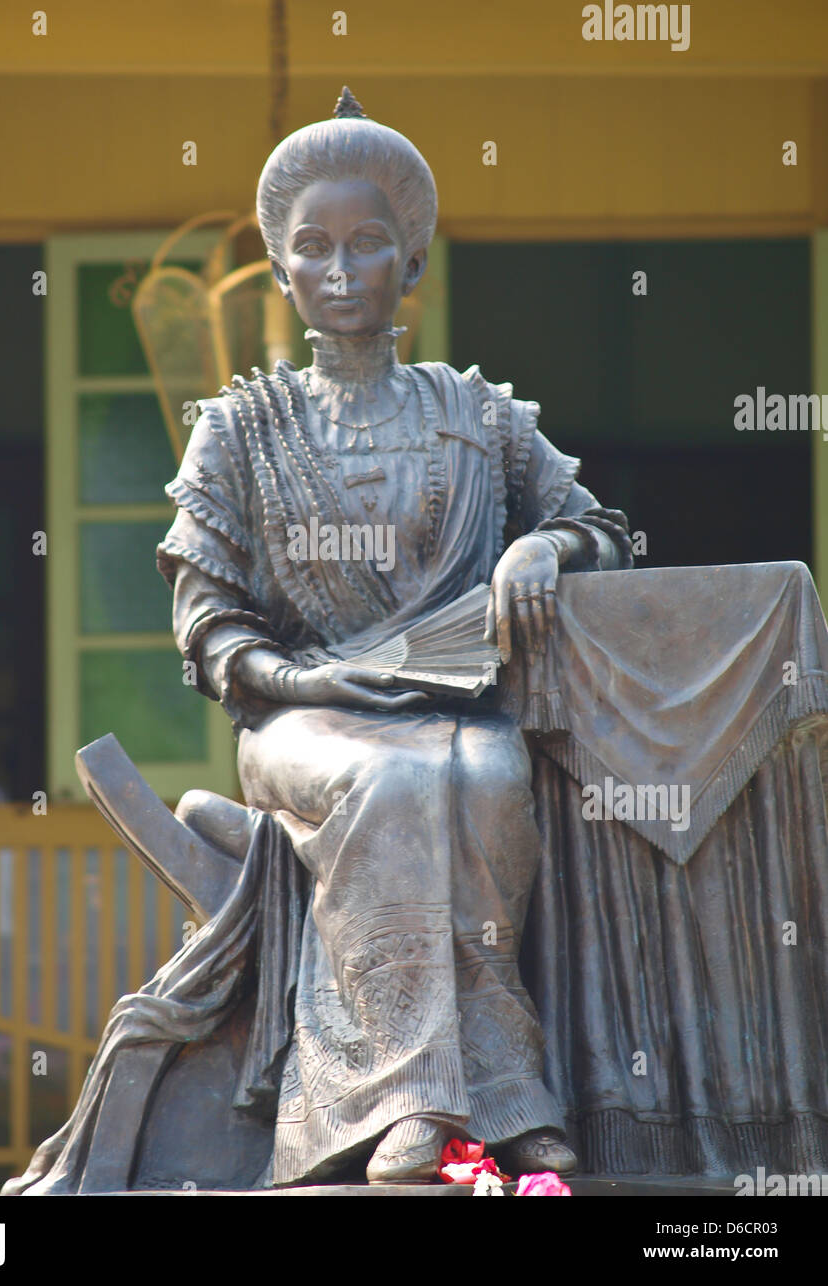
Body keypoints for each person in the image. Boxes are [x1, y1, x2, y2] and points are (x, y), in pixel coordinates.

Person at [153, 87, 633, 1185]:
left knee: (492, 773)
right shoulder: (238, 429)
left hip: (456, 710)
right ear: (279, 271)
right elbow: (209, 629)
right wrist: (315, 676)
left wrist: (541, 549)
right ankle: (409, 1100)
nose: (337, 268)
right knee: (395, 786)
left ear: (410, 266)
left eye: (366, 244)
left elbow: (597, 526)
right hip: (303, 717)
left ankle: (507, 1090)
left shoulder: (475, 414)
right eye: (311, 247)